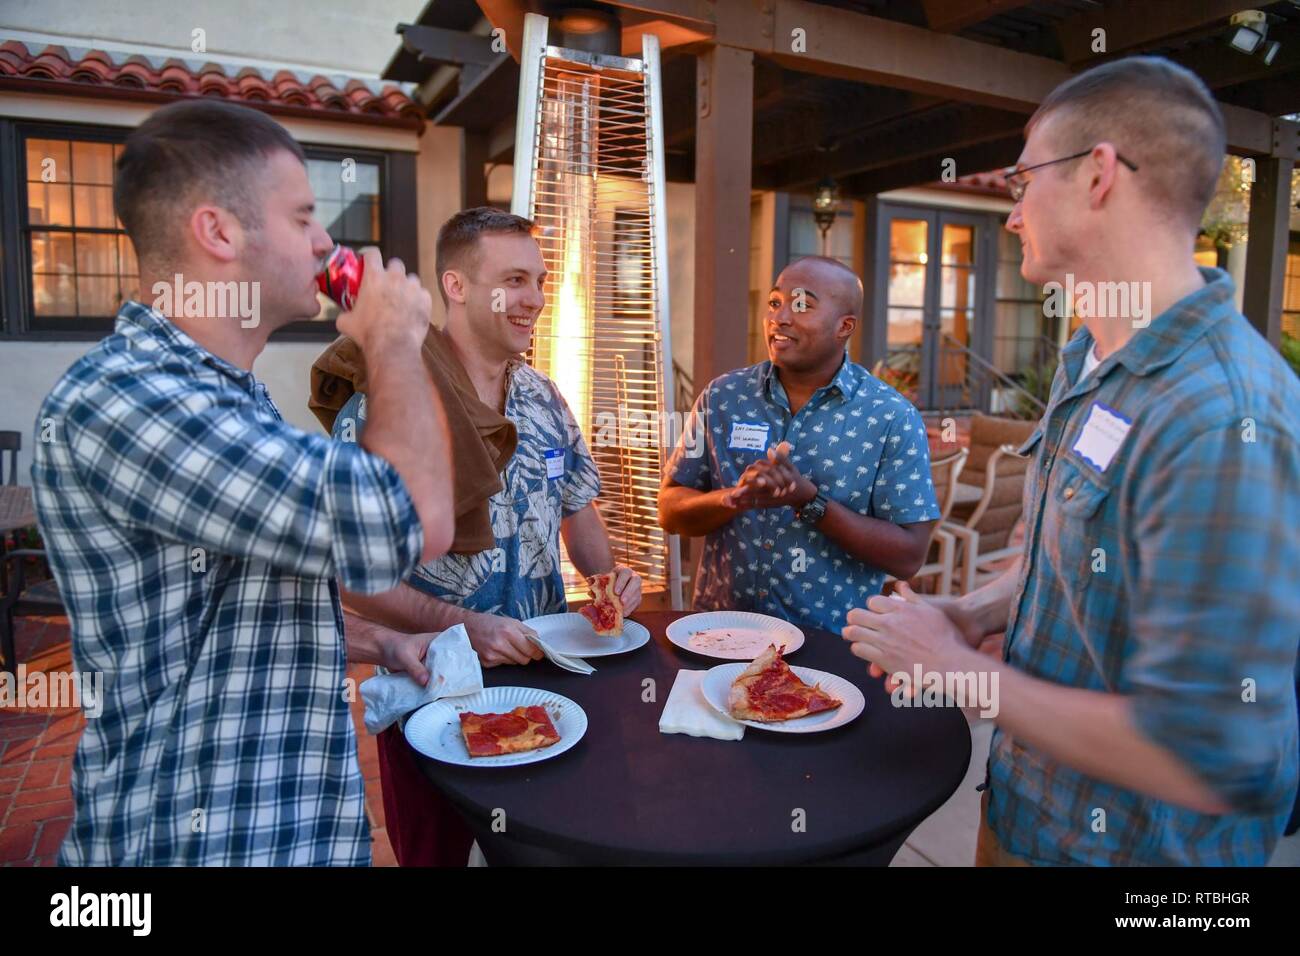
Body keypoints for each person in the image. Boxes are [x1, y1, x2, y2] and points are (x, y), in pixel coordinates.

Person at [842, 56, 1300, 865]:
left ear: (1097, 176)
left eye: (1024, 182)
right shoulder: (1089, 358)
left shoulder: (1221, 413)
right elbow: (1079, 558)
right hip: (1027, 810)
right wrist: (973, 614)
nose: (1013, 215)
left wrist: (956, 670)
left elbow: (1215, 752)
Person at [31, 99, 455, 865]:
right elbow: (410, 523)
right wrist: (392, 339)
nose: (326, 240)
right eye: (301, 217)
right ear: (219, 231)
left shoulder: (228, 393)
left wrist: (382, 641)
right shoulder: (135, 400)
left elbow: (234, 604)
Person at [330, 207, 643, 865]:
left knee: (548, 851)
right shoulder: (385, 404)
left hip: (548, 678)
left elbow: (576, 508)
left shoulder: (546, 397)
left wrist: (607, 579)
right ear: (457, 285)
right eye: (515, 280)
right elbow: (354, 579)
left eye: (540, 279)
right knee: (436, 858)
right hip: (434, 691)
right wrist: (462, 623)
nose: (534, 298)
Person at [658, 254, 940, 636]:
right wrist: (733, 498)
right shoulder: (723, 397)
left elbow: (909, 557)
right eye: (775, 302)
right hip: (721, 635)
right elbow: (670, 510)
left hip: (830, 646)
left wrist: (809, 502)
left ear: (845, 326)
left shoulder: (891, 417)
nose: (781, 317)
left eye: (803, 305)